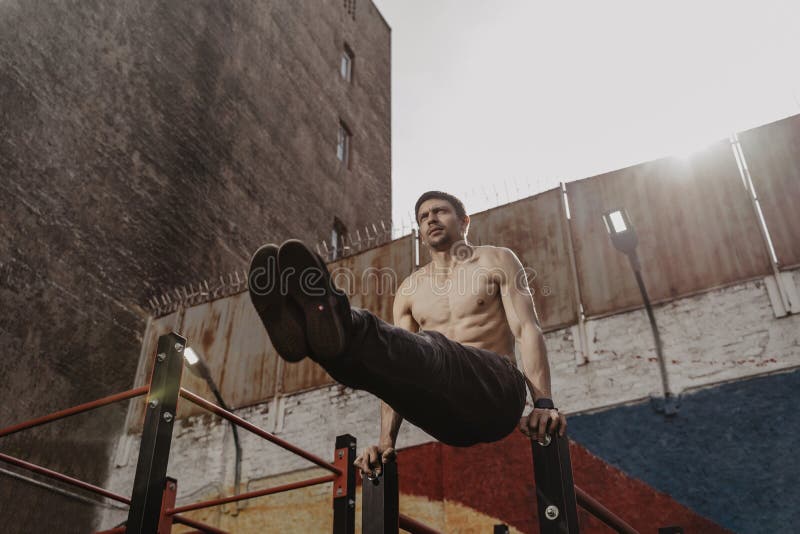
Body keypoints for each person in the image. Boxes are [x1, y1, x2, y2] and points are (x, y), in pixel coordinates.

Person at [248, 191, 566, 479]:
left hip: (498, 394)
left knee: (434, 348)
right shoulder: (410, 290)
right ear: (420, 233)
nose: (431, 219)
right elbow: (396, 362)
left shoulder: (496, 259)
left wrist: (543, 402)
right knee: (382, 364)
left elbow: (527, 329)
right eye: (424, 217)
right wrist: (385, 441)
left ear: (464, 221)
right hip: (448, 419)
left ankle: (342, 319)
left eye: (440, 211)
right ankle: (312, 340)